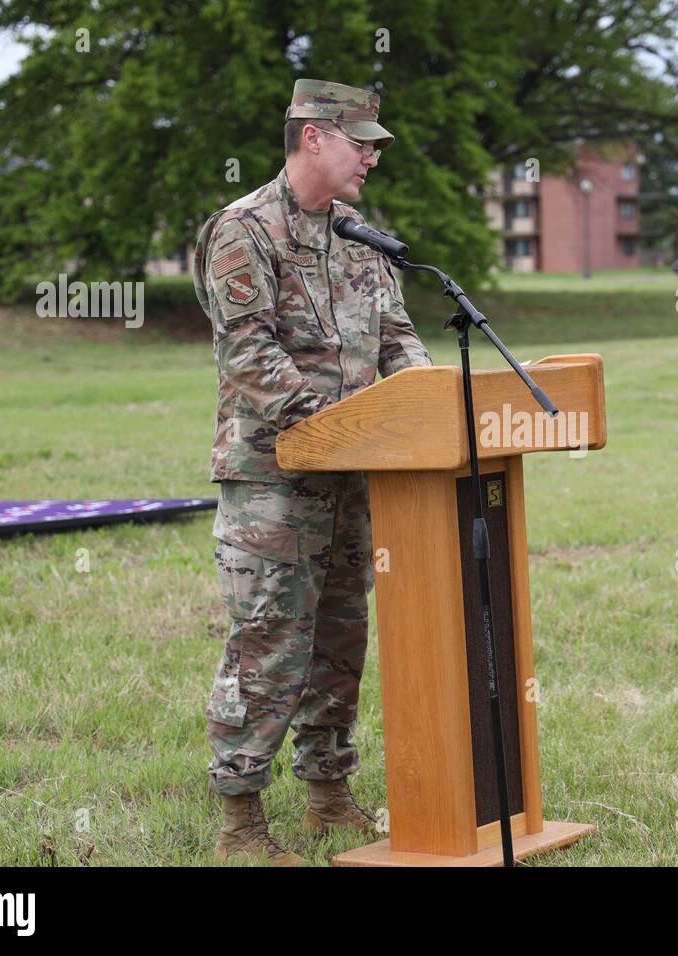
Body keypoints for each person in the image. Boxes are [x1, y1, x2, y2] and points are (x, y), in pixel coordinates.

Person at [191, 78, 432, 865]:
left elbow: (397, 336)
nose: (371, 154)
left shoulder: (360, 235)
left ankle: (329, 794)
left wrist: (426, 403)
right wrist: (340, 432)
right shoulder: (243, 231)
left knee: (339, 640)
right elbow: (250, 352)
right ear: (313, 137)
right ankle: (241, 821)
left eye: (374, 143)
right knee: (269, 642)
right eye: (360, 140)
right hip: (274, 479)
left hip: (356, 477)